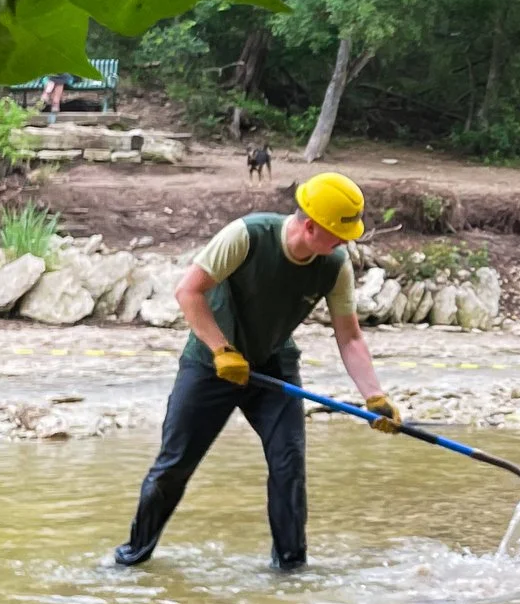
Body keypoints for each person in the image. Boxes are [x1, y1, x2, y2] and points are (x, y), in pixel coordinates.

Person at [113, 172, 398, 570]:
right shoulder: (246, 235)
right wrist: (221, 350)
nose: (345, 242)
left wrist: (375, 397)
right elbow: (188, 292)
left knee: (289, 464)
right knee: (173, 466)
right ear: (310, 226)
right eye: (338, 233)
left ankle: (291, 569)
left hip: (273, 366)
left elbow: (349, 339)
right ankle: (131, 558)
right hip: (210, 362)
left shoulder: (334, 265)